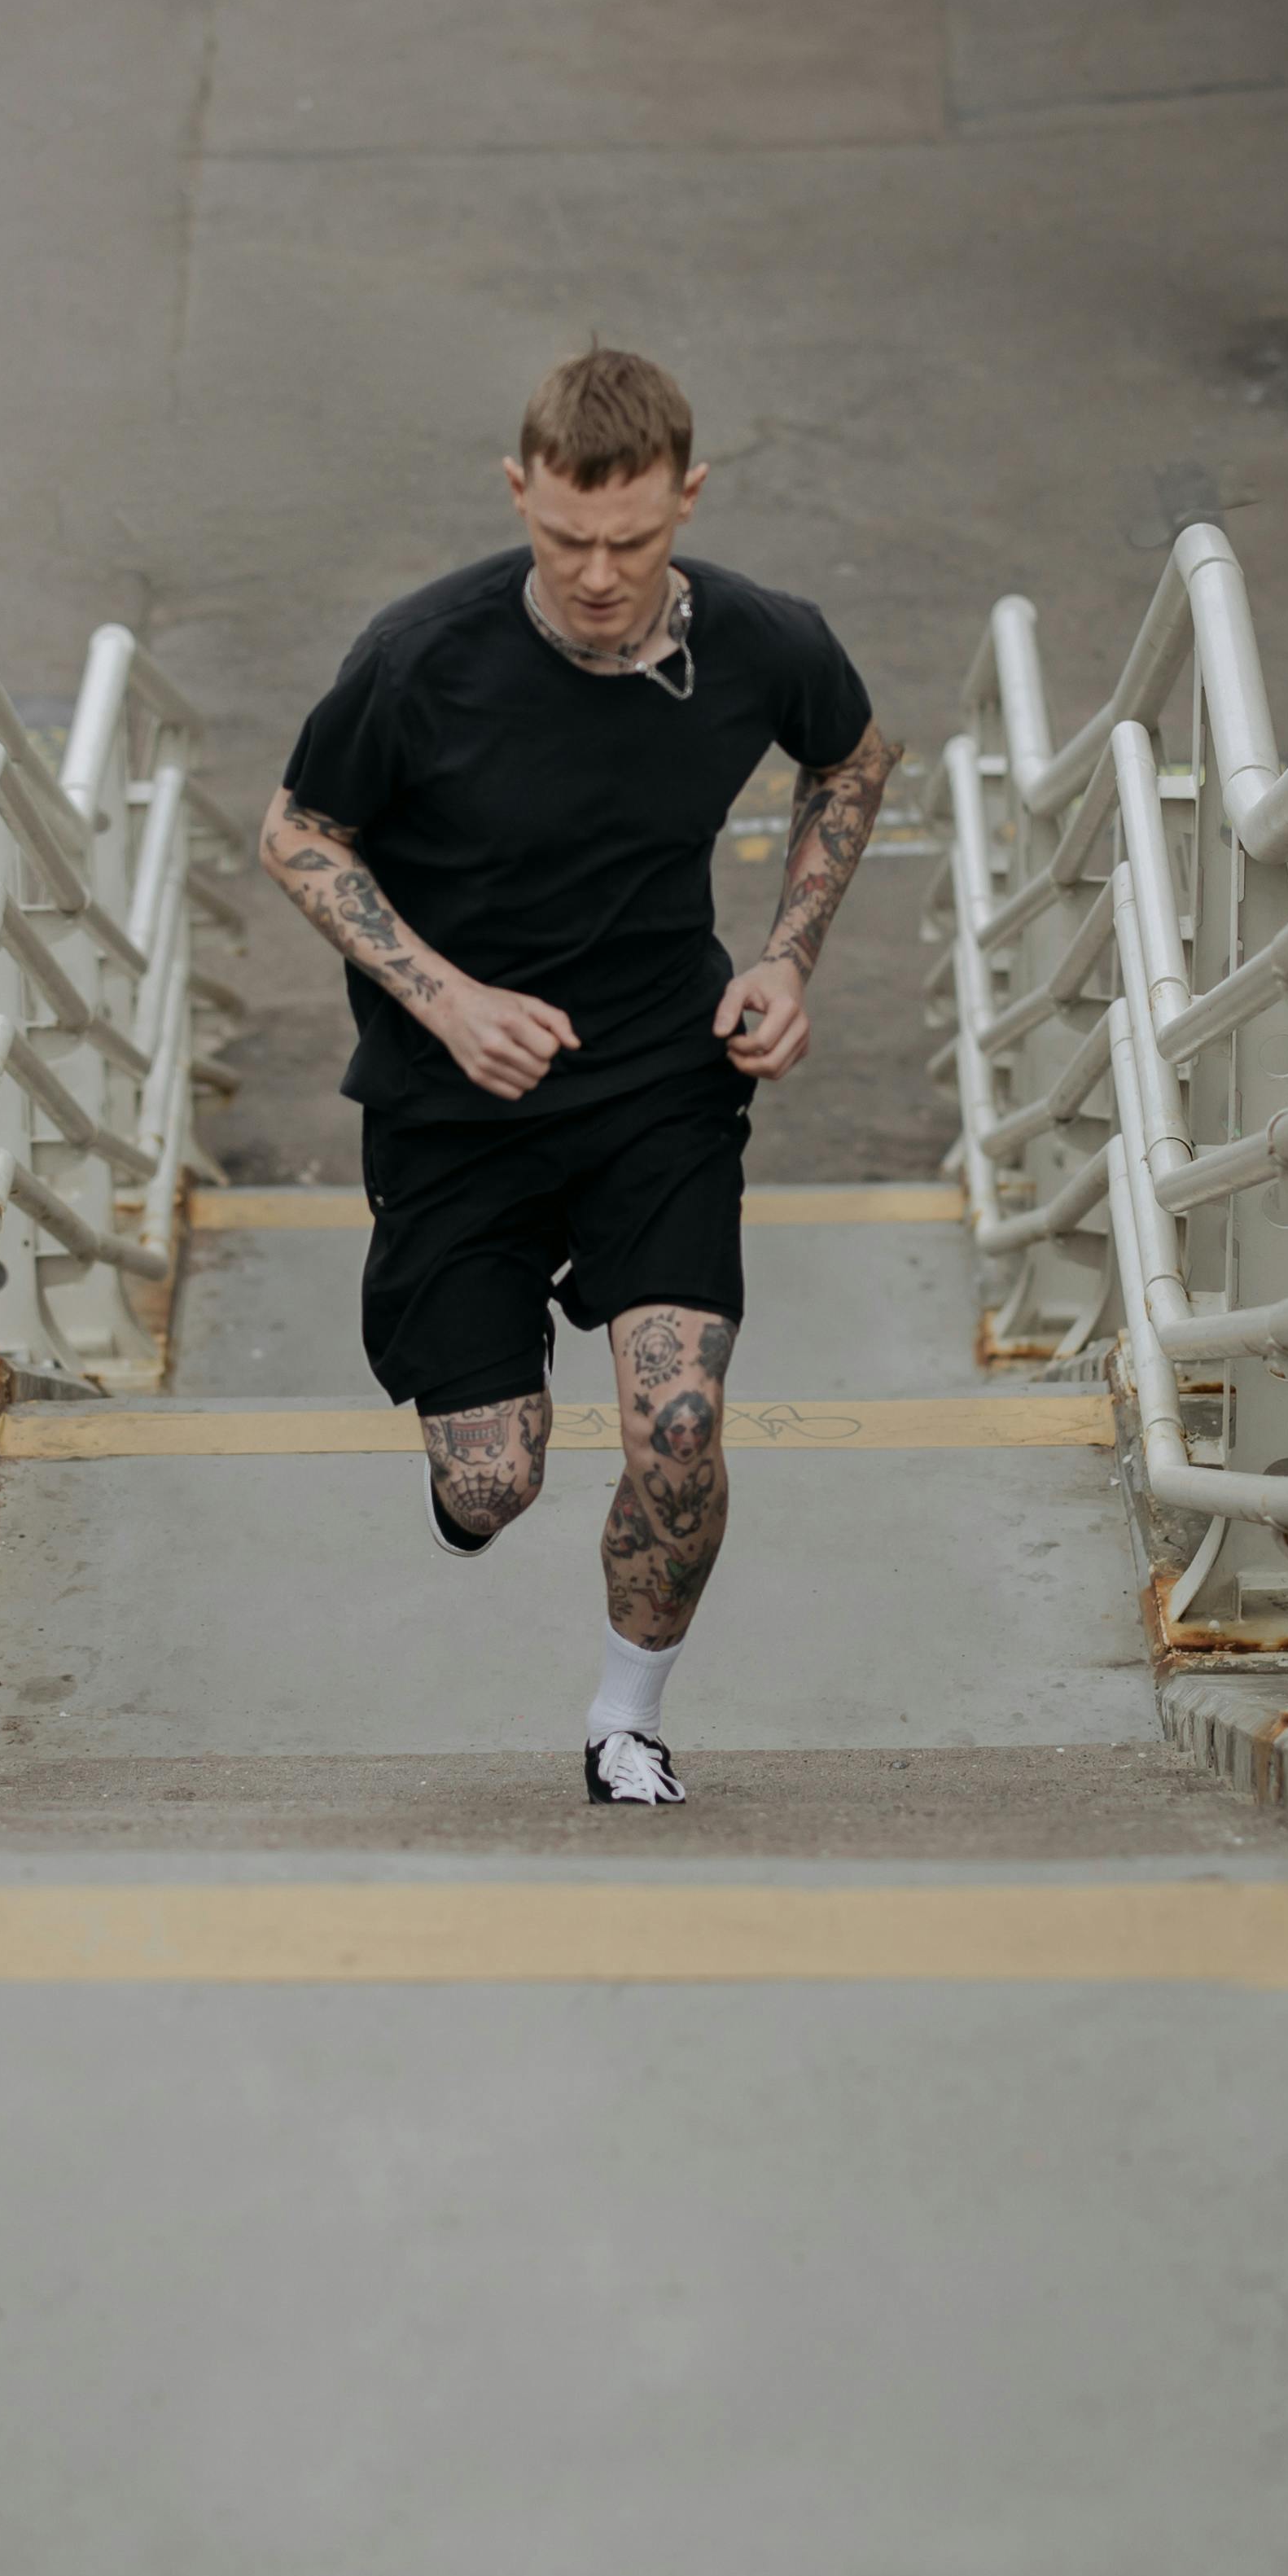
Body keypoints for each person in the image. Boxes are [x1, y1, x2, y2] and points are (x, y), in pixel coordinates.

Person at [257, 345, 902, 1807]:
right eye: (563, 539)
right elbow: (298, 834)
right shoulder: (422, 658)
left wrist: (791, 955)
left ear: (688, 495)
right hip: (455, 1104)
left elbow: (853, 761)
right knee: (496, 1482)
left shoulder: (757, 638)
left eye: (632, 540)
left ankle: (627, 1721)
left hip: (659, 1083)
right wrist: (446, 997)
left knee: (680, 1423)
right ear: (518, 494)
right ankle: (478, 1449)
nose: (597, 574)